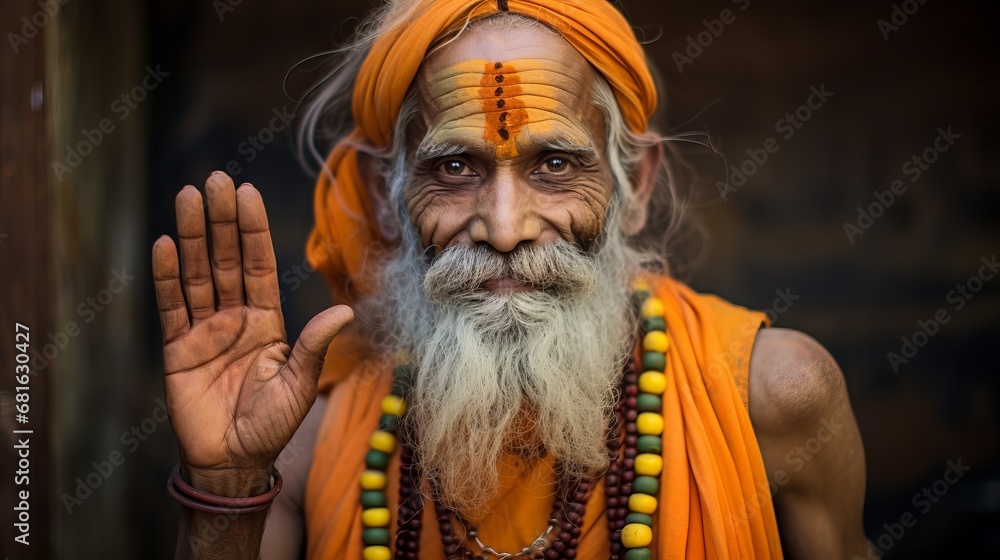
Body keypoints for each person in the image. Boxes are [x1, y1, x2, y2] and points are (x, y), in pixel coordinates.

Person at [151, 0, 871, 558]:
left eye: (555, 165)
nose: (503, 227)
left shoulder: (778, 400)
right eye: (454, 167)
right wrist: (224, 490)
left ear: (637, 184)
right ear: (385, 192)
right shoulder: (309, 445)